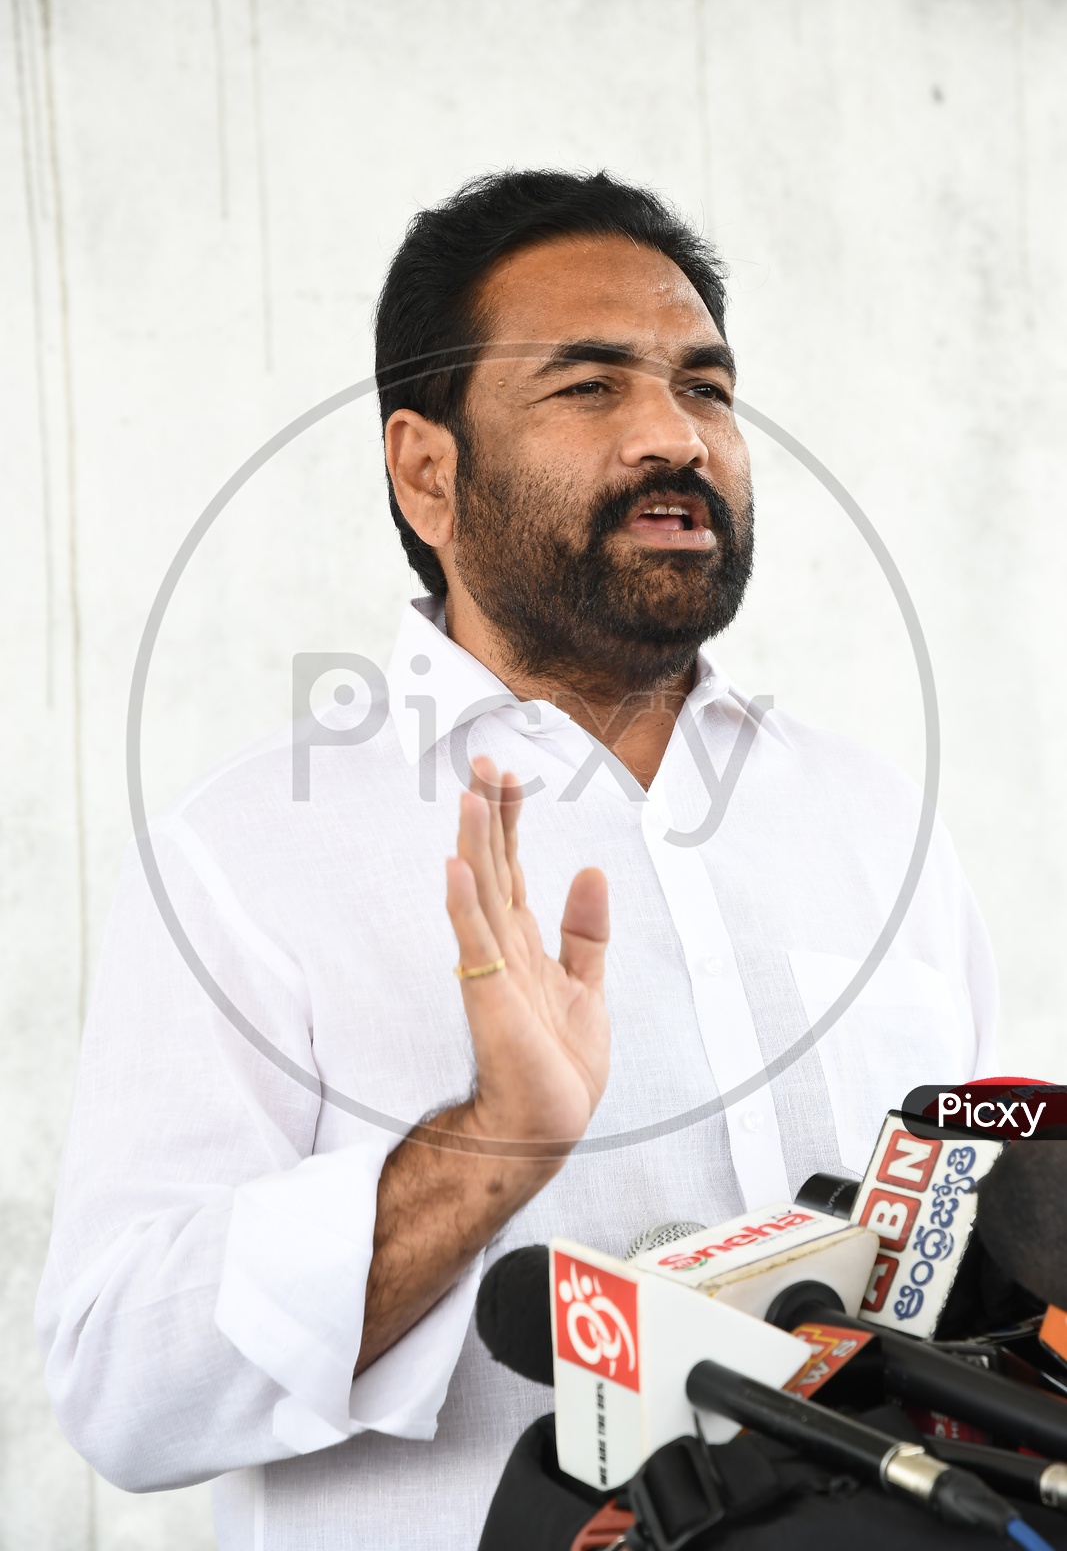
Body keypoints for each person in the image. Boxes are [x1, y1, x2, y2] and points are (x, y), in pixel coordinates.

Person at [37, 170, 998, 1548]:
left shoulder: (874, 818)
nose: (675, 436)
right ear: (428, 472)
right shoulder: (242, 858)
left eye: (707, 387)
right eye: (589, 386)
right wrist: (488, 1153)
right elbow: (124, 1385)